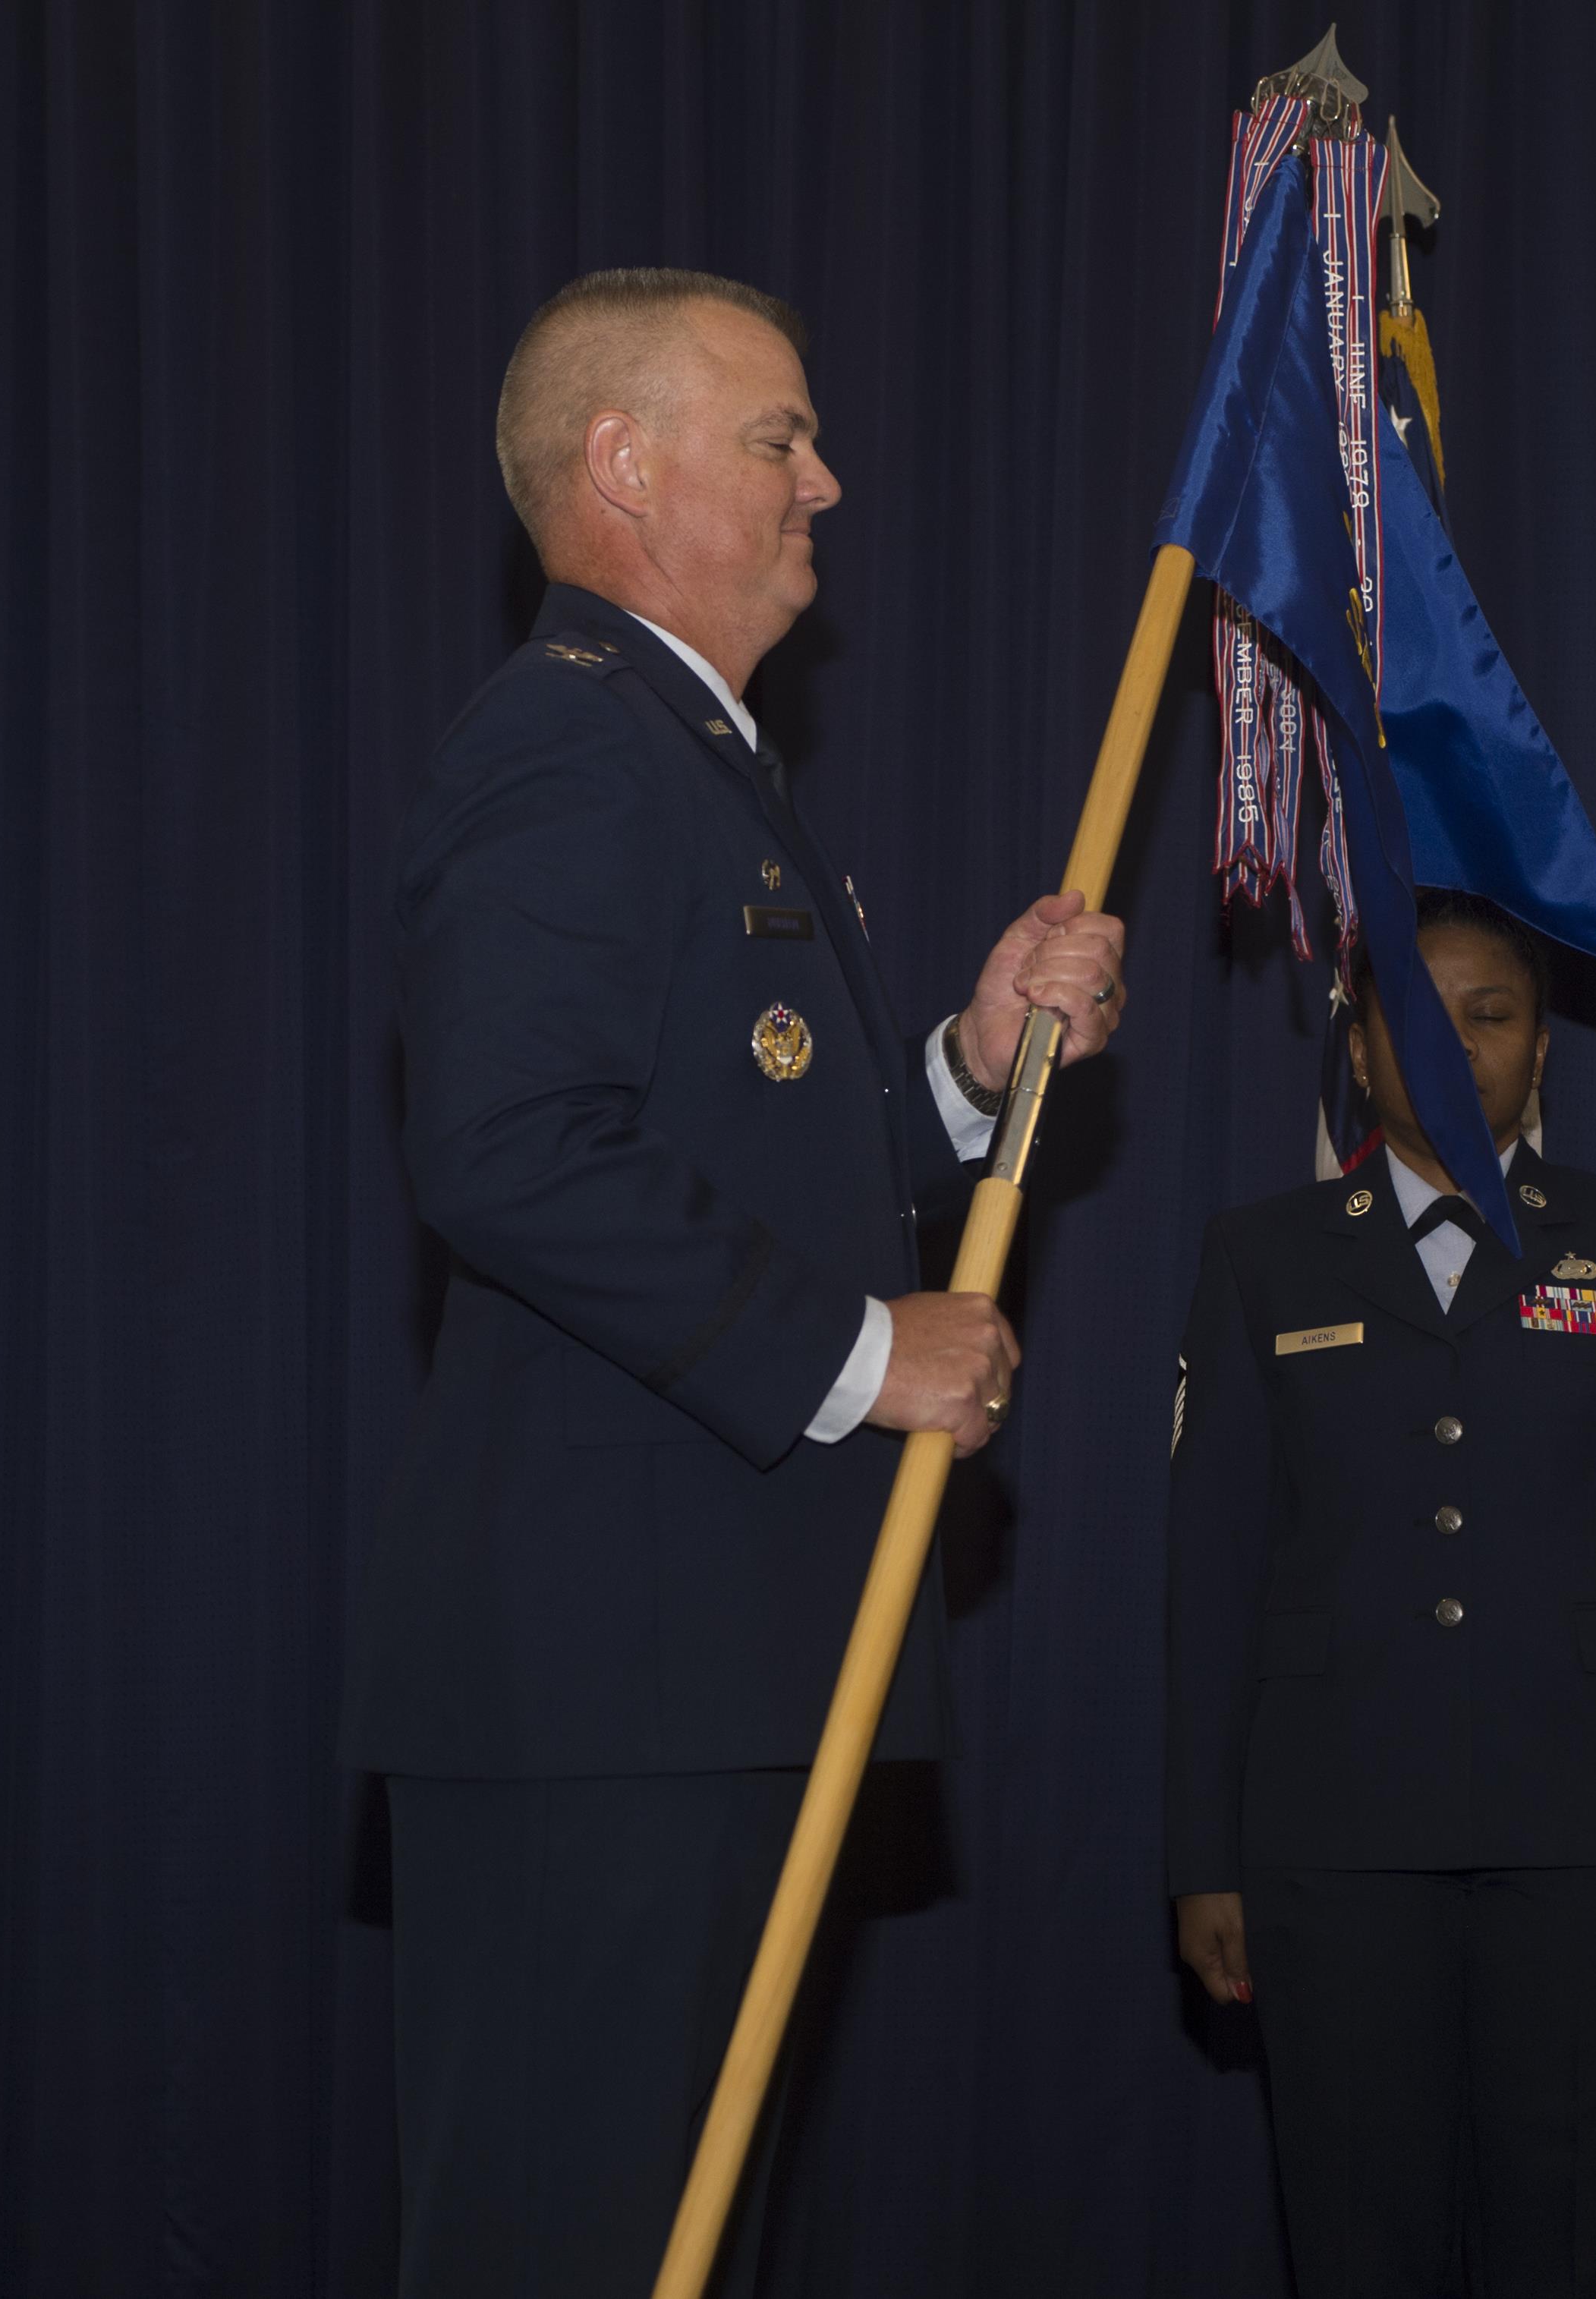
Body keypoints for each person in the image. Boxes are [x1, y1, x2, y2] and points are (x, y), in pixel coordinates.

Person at [345, 267, 1129, 2298]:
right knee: (569, 2240)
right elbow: (507, 1148)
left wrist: (968, 1063)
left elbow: (753, 1158)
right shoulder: (569, 746)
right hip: (602, 1689)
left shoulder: (695, 764)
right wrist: (869, 1353)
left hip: (705, 1674)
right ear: (626, 461)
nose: (830, 482)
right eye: (780, 436)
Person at [1163, 890, 1596, 2299]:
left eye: (1491, 1015)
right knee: (1355, 2225)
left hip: (1594, 1836)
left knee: (1570, 2232)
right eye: (1414, 1016)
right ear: (1358, 1048)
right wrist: (1203, 1855)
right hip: (1335, 1833)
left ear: (1543, 1049)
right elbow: (1212, 1572)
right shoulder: (1259, 1259)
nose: (1457, 1044)